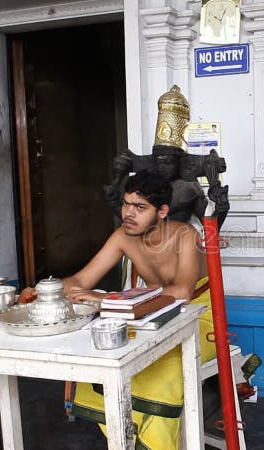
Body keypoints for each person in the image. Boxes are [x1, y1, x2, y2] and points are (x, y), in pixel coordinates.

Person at [22, 170, 216, 449]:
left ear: (162, 211)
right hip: (150, 317)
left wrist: (109, 298)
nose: (129, 213)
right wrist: (43, 291)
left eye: (140, 207)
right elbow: (80, 281)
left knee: (163, 378)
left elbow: (183, 292)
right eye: (126, 204)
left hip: (200, 319)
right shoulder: (122, 237)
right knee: (105, 371)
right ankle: (128, 441)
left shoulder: (185, 235)